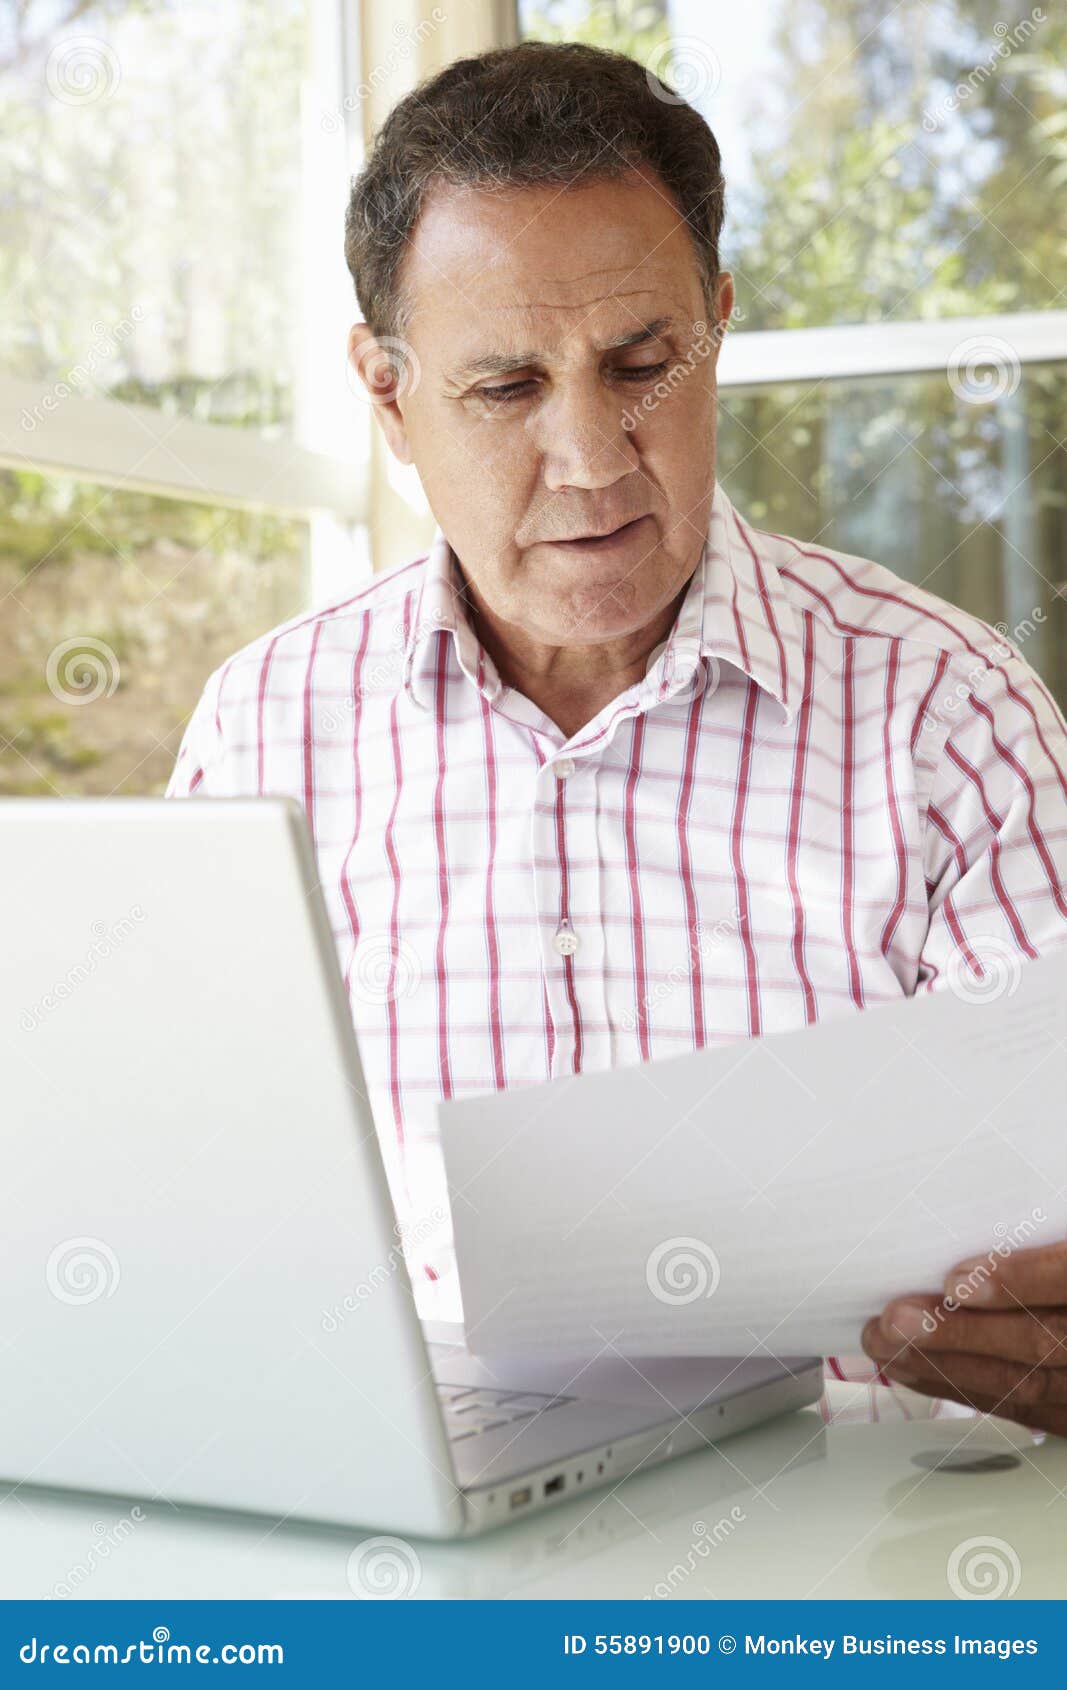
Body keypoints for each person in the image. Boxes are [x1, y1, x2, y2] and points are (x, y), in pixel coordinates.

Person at [168, 41, 1067, 1433]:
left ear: (715, 327)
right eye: (506, 389)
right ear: (388, 392)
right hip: (415, 1544)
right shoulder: (262, 733)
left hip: (860, 1548)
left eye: (642, 364)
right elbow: (171, 1189)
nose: (589, 457)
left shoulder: (953, 718)